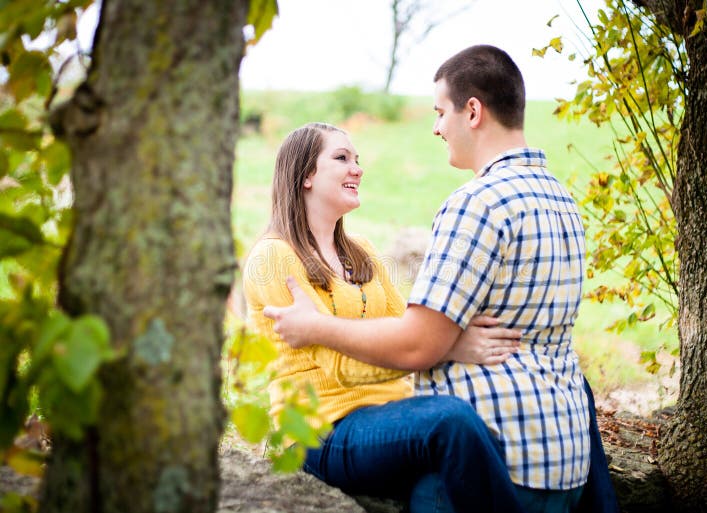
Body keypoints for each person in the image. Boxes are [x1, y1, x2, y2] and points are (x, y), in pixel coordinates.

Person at [264, 45, 619, 513]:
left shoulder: (477, 204)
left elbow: (414, 343)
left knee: (447, 428)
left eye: (439, 112)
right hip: (562, 456)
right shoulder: (563, 203)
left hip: (496, 460)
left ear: (472, 111)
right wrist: (446, 342)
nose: (435, 127)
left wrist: (319, 328)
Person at [242, 121, 528, 513]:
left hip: (387, 416)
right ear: (306, 175)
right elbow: (340, 365)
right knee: (453, 422)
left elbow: (406, 328)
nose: (357, 168)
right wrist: (447, 347)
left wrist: (428, 343)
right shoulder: (273, 258)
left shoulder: (363, 250)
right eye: (342, 158)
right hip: (321, 429)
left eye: (357, 159)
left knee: (467, 451)